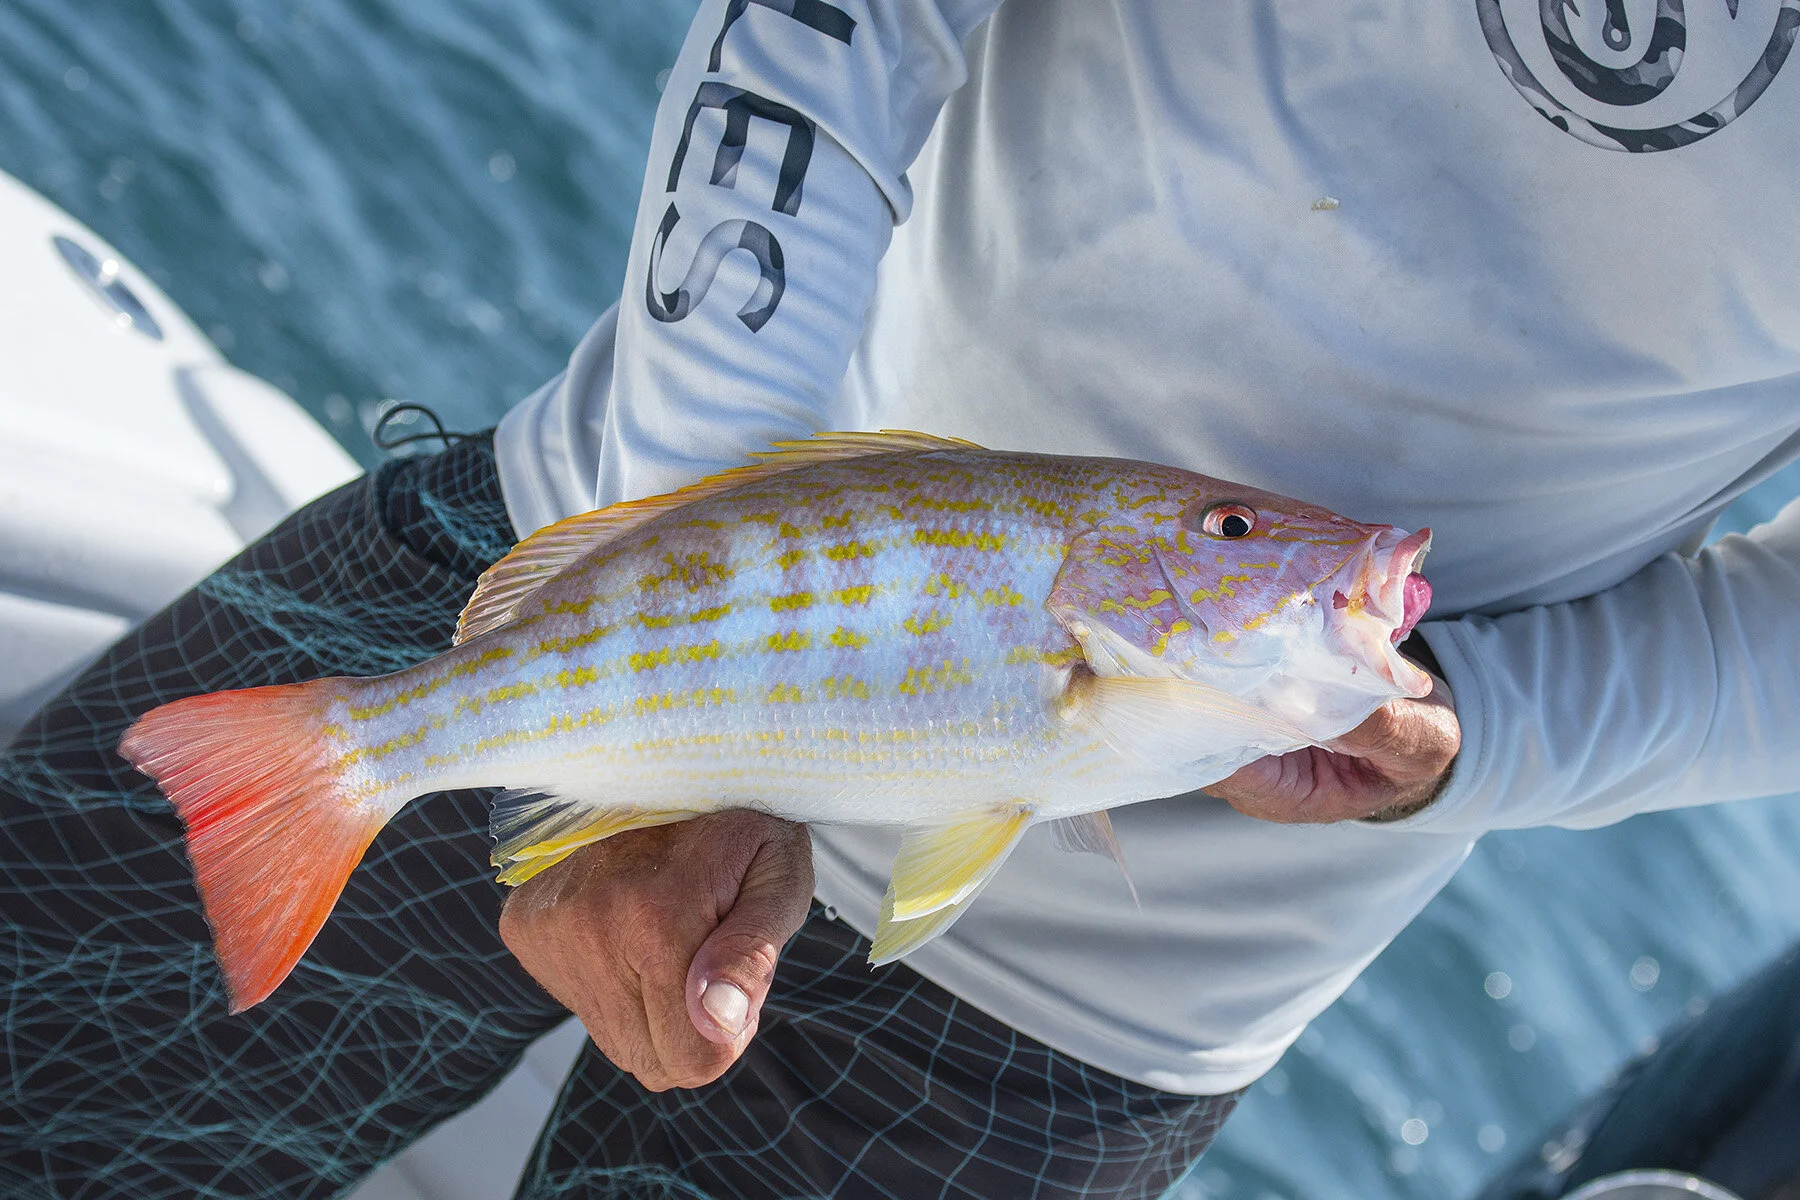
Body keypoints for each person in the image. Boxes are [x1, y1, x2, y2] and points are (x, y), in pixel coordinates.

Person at [5, 1, 1798, 1197]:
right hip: (592, 564)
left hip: (1102, 1004)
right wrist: (681, 652)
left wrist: (1490, 726)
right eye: (1246, 536)